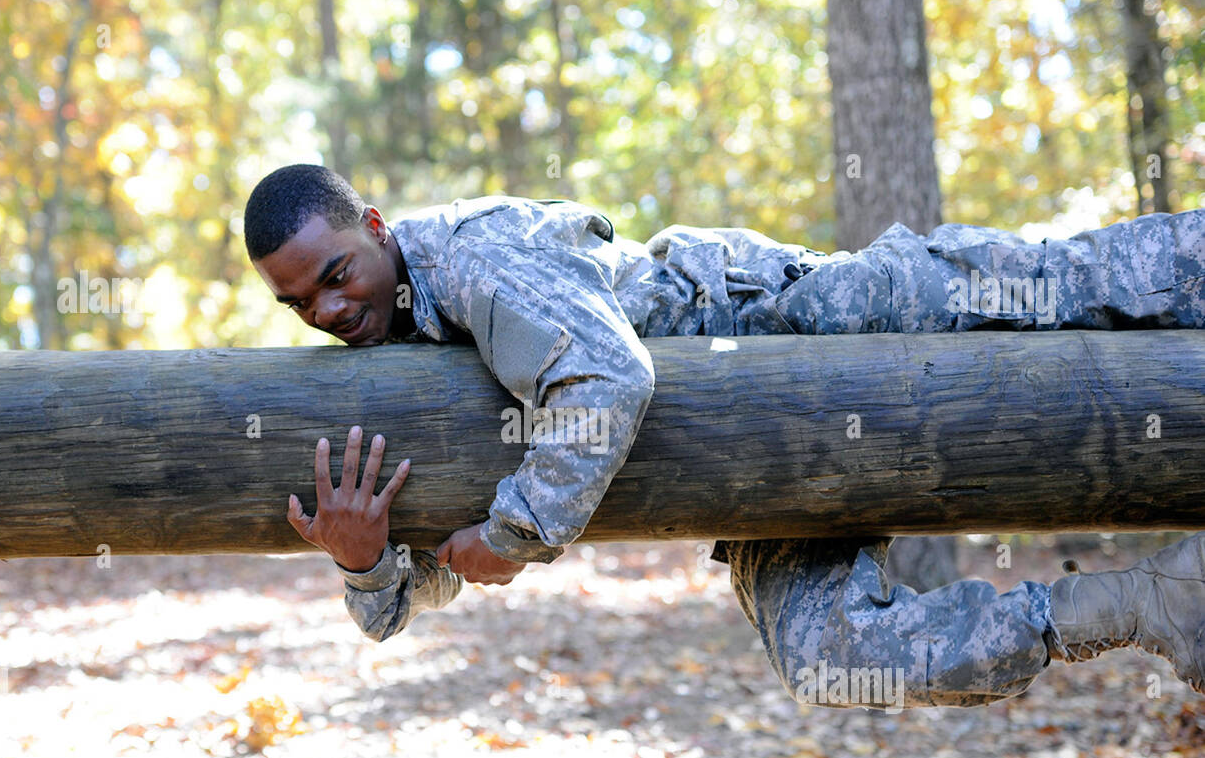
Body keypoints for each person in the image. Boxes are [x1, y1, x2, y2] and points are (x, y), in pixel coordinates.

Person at [243, 162, 1205, 709]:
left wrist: (509, 537)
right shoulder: (381, 361)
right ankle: (1145, 601)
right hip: (746, 483)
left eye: (335, 273)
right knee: (839, 663)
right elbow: (401, 604)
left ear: (373, 225)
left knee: (1053, 288)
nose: (326, 309)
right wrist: (366, 564)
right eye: (298, 303)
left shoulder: (471, 255)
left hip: (790, 318)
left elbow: (610, 376)